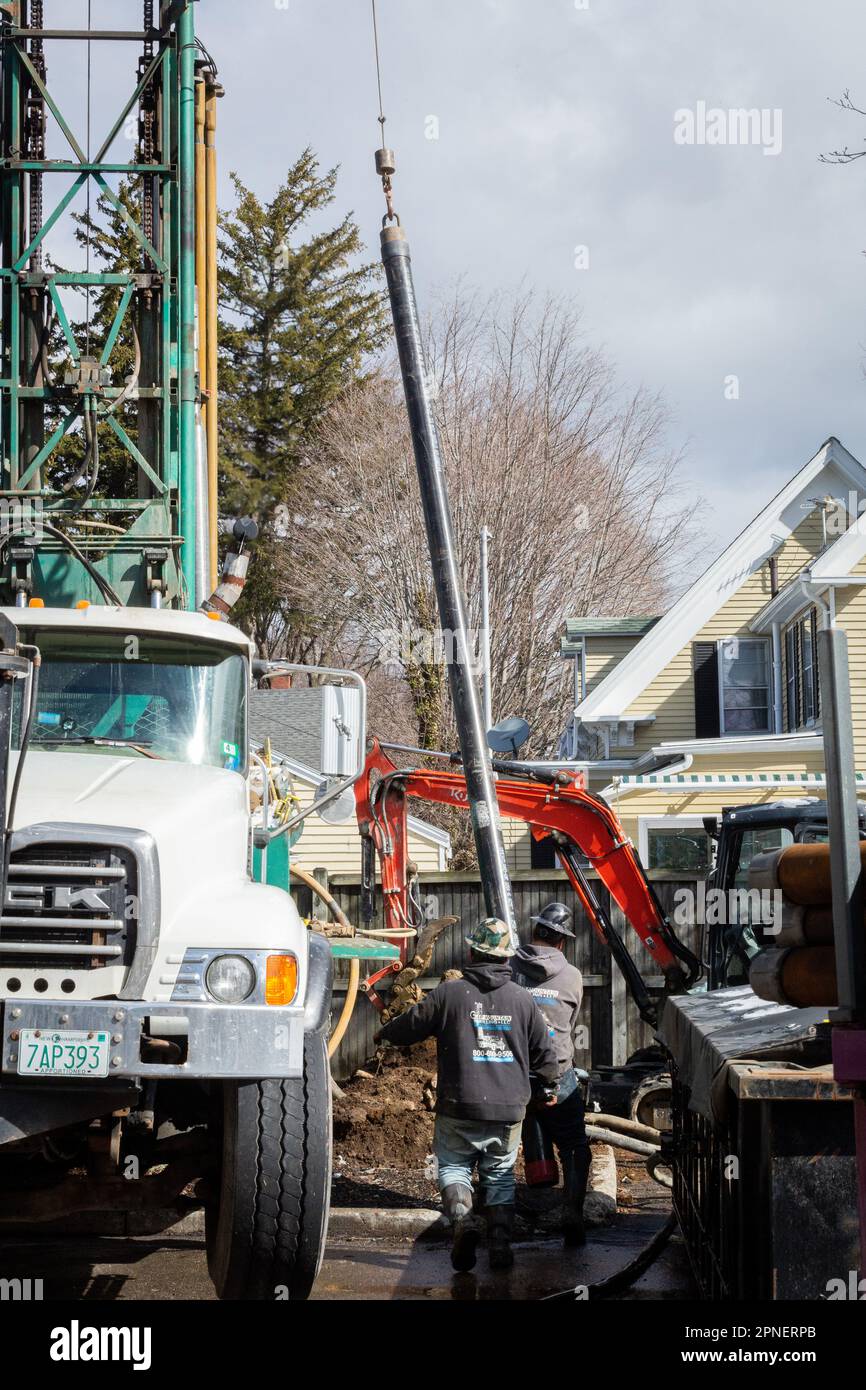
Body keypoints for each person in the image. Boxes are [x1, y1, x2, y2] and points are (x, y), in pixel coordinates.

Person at [375, 916, 558, 1272]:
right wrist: (548, 1086)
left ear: (473, 951)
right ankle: (501, 1243)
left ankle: (463, 1222)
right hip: (508, 1110)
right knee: (501, 1174)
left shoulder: (450, 993)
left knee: (455, 1168)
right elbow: (545, 1054)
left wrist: (385, 1034)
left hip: (458, 1105)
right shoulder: (522, 1000)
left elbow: (412, 1024)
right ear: (507, 958)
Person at [512, 901, 591, 1245]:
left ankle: (497, 1219)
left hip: (511, 1073)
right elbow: (569, 1025)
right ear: (562, 941)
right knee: (575, 1145)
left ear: (535, 931)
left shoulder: (509, 967)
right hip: (557, 1074)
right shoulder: (572, 976)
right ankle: (572, 1212)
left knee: (496, 1147)